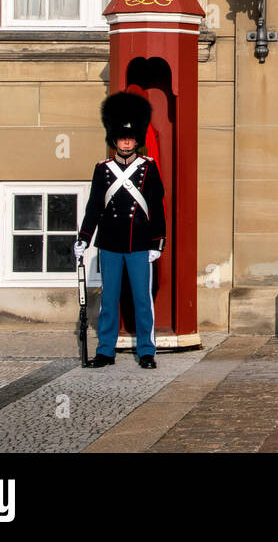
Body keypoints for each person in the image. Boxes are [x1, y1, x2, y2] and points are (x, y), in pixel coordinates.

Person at [73, 91, 166, 369]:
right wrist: (84, 237)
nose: (126, 141)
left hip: (139, 244)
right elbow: (94, 207)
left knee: (141, 300)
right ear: (114, 140)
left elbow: (156, 206)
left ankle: (147, 351)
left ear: (137, 140)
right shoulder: (102, 169)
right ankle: (105, 351)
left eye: (131, 138)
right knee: (109, 301)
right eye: (122, 138)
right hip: (111, 243)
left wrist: (156, 242)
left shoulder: (148, 168)